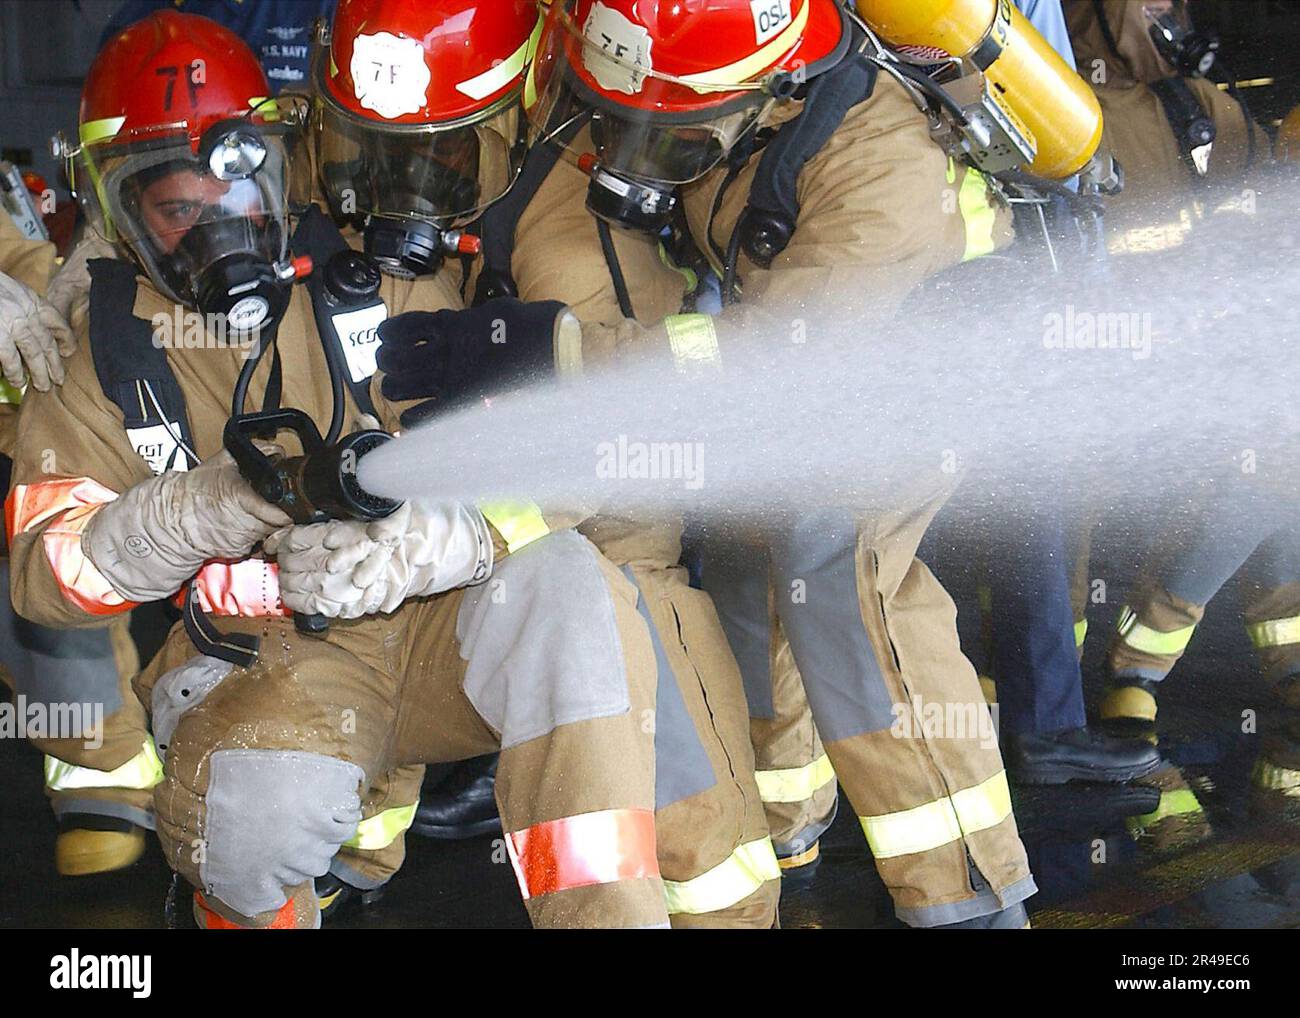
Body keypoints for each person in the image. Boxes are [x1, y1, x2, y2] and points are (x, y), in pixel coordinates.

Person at [9, 7, 771, 930]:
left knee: (574, 586)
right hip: (273, 655)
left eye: (237, 187)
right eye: (176, 209)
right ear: (121, 214)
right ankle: (295, 862)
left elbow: (562, 444)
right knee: (247, 834)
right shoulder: (105, 349)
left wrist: (451, 536)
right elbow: (45, 579)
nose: (219, 231)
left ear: (280, 159)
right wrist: (189, 513)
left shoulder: (380, 262)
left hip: (444, 624)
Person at [381, 0, 1038, 928]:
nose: (635, 161)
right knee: (750, 559)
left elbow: (783, 369)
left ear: (769, 84)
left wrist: (564, 354)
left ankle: (970, 891)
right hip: (801, 357)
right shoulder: (744, 109)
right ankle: (787, 822)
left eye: (669, 136)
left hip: (910, 380)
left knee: (841, 577)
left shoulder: (879, 169)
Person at [1063, 0, 1281, 726]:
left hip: (1200, 365)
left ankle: (1132, 674)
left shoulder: (1196, 106)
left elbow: (1272, 211)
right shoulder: (1054, 115)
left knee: (1272, 465)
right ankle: (1061, 680)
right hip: (1095, 365)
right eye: (1153, 5)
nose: (1171, 19)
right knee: (1056, 503)